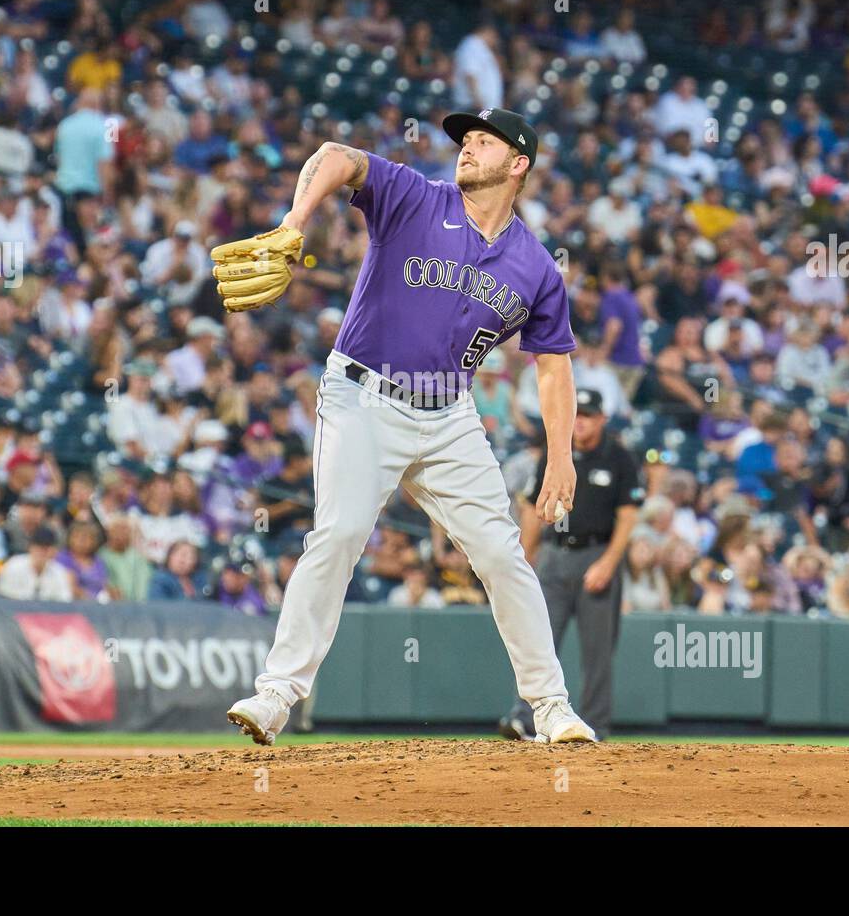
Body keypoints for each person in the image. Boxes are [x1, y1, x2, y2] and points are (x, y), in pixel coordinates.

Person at [226, 108, 599, 745]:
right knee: (339, 534)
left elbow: (553, 367)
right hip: (363, 397)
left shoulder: (536, 265)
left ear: (519, 166)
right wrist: (296, 218)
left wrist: (560, 455)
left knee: (504, 557)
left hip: (450, 415)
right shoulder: (414, 198)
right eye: (466, 140)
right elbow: (337, 154)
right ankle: (275, 695)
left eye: (485, 142)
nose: (468, 148)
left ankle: (552, 708)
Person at [499, 388, 639, 741]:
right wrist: (527, 554)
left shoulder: (619, 456)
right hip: (554, 555)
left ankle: (595, 727)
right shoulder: (555, 453)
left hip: (597, 554)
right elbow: (532, 506)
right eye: (577, 415)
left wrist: (609, 562)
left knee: (598, 653)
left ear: (603, 419)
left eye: (589, 416)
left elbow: (628, 515)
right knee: (537, 639)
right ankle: (525, 719)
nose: (581, 423)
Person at [0, 526, 74, 601]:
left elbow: (65, 601)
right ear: (30, 547)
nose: (42, 552)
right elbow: (3, 597)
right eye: (39, 547)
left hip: (47, 613)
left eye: (46, 549)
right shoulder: (13, 565)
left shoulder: (59, 571)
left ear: (53, 551)